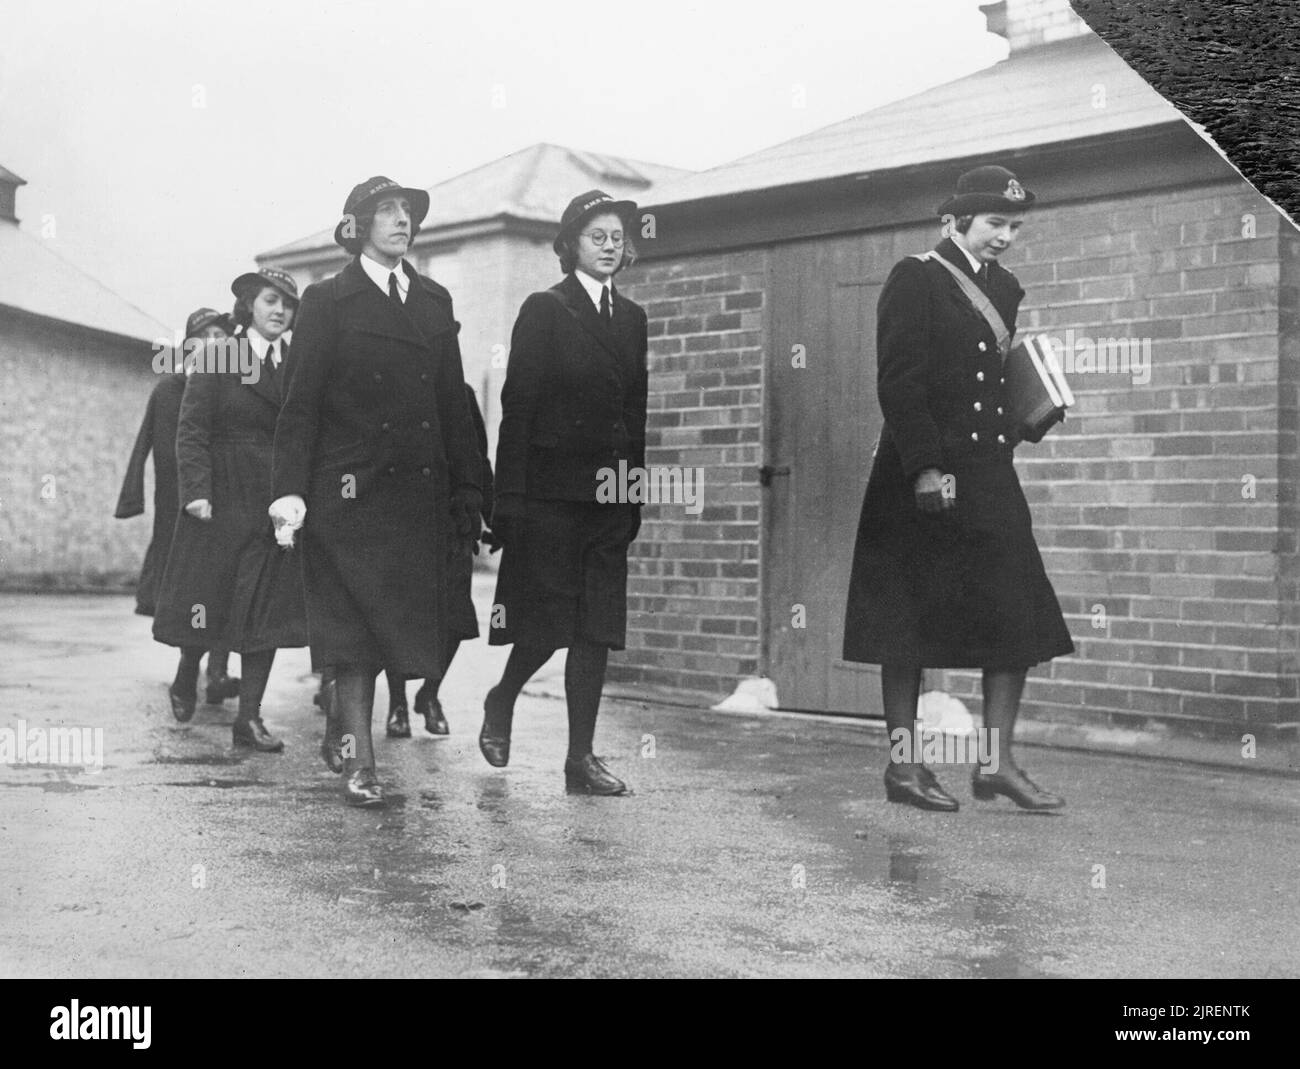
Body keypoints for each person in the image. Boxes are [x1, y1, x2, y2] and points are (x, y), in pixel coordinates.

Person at [842, 165, 1073, 812]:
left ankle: (996, 764)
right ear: (955, 222)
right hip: (920, 471)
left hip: (987, 470)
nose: (1005, 236)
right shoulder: (915, 278)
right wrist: (923, 467)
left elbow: (990, 382)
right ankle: (904, 767)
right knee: (906, 623)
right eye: (996, 223)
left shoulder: (1005, 288)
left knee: (1016, 611)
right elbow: (900, 382)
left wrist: (1029, 410)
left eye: (1014, 226)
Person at [270, 176, 483, 808]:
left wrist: (469, 486)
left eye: (407, 212)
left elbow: (454, 402)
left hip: (419, 493)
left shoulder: (434, 300)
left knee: (409, 626)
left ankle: (345, 723)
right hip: (351, 493)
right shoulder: (328, 299)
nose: (401, 221)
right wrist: (289, 492)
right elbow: (299, 404)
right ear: (359, 226)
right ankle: (362, 760)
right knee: (356, 632)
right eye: (386, 211)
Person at [481, 190, 647, 796]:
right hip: (550, 497)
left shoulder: (632, 319)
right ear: (572, 244)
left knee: (596, 628)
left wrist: (633, 495)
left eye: (617, 238)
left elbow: (636, 412)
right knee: (547, 623)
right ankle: (502, 698)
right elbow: (517, 408)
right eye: (597, 236)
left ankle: (581, 759)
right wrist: (509, 501)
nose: (609, 247)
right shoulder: (545, 309)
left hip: (607, 498)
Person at [152, 268, 309, 747]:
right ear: (249, 307)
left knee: (266, 611)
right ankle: (186, 672)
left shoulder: (297, 363)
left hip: (273, 502)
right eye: (269, 301)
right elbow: (192, 428)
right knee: (207, 602)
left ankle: (250, 719)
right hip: (220, 498)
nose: (279, 311)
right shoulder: (221, 356)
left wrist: (300, 496)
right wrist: (196, 490)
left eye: (287, 303)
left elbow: (304, 433)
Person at [116, 308, 238, 707]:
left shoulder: (237, 388)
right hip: (179, 507)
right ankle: (190, 670)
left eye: (223, 335)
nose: (216, 342)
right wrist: (132, 497)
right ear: (190, 345)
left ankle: (216, 672)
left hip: (228, 503)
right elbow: (144, 446)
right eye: (207, 335)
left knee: (228, 588)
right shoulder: (168, 390)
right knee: (194, 594)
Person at [385, 383, 495, 739]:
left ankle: (429, 693)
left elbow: (480, 459)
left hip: (454, 522)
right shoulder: (395, 385)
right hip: (404, 520)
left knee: (455, 616)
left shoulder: (460, 394)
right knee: (398, 617)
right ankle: (397, 703)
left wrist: (495, 517)